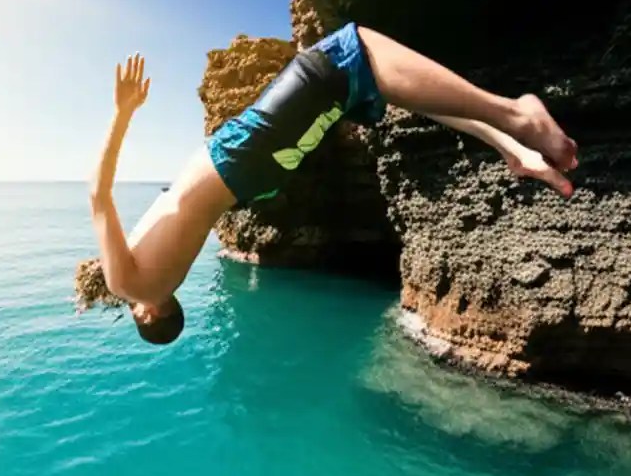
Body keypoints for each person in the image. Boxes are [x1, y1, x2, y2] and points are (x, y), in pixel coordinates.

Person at [88, 22, 578, 345]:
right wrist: (122, 113)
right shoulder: (130, 282)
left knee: (366, 79)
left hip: (257, 173)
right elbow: (98, 194)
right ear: (148, 316)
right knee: (351, 52)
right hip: (242, 156)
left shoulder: (157, 278)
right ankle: (514, 116)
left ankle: (508, 145)